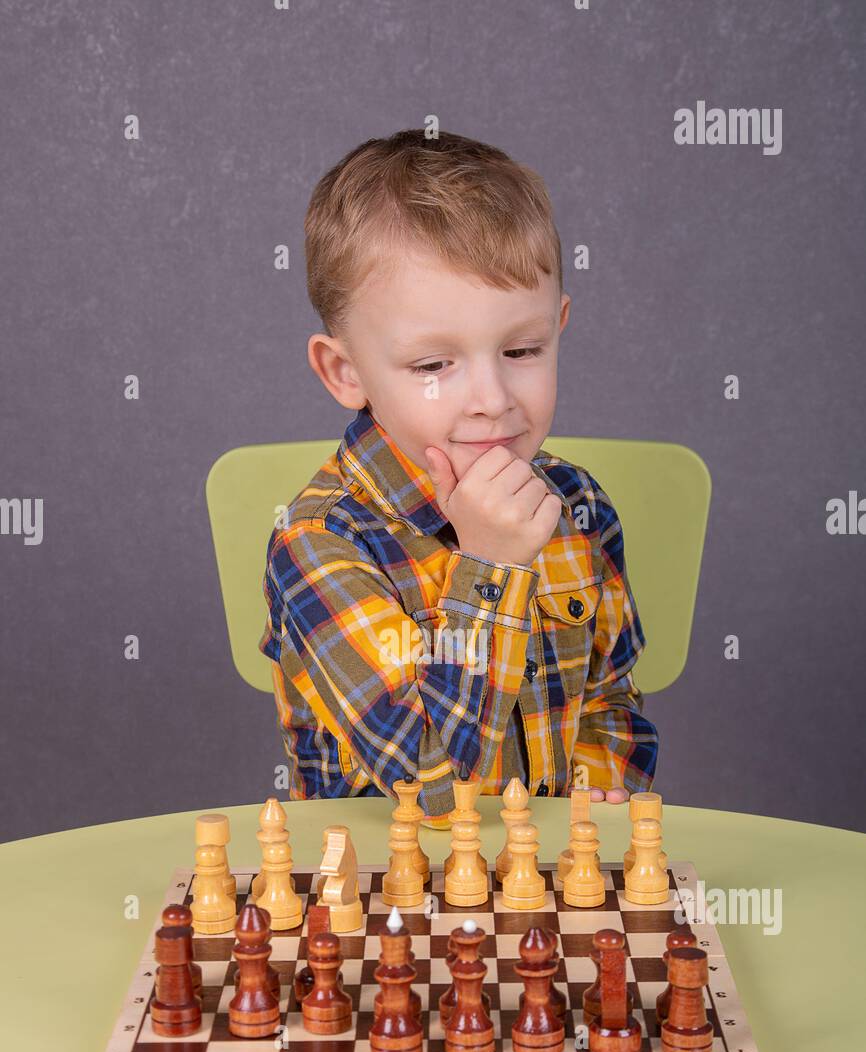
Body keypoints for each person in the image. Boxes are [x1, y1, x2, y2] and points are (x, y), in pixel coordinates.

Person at [260, 128, 658, 826]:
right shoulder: (319, 541)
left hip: (545, 876)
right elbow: (431, 790)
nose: (492, 398)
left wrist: (596, 800)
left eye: (522, 349)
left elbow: (607, 701)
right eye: (433, 365)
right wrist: (491, 569)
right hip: (387, 883)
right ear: (346, 372)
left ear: (559, 327)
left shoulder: (577, 506)